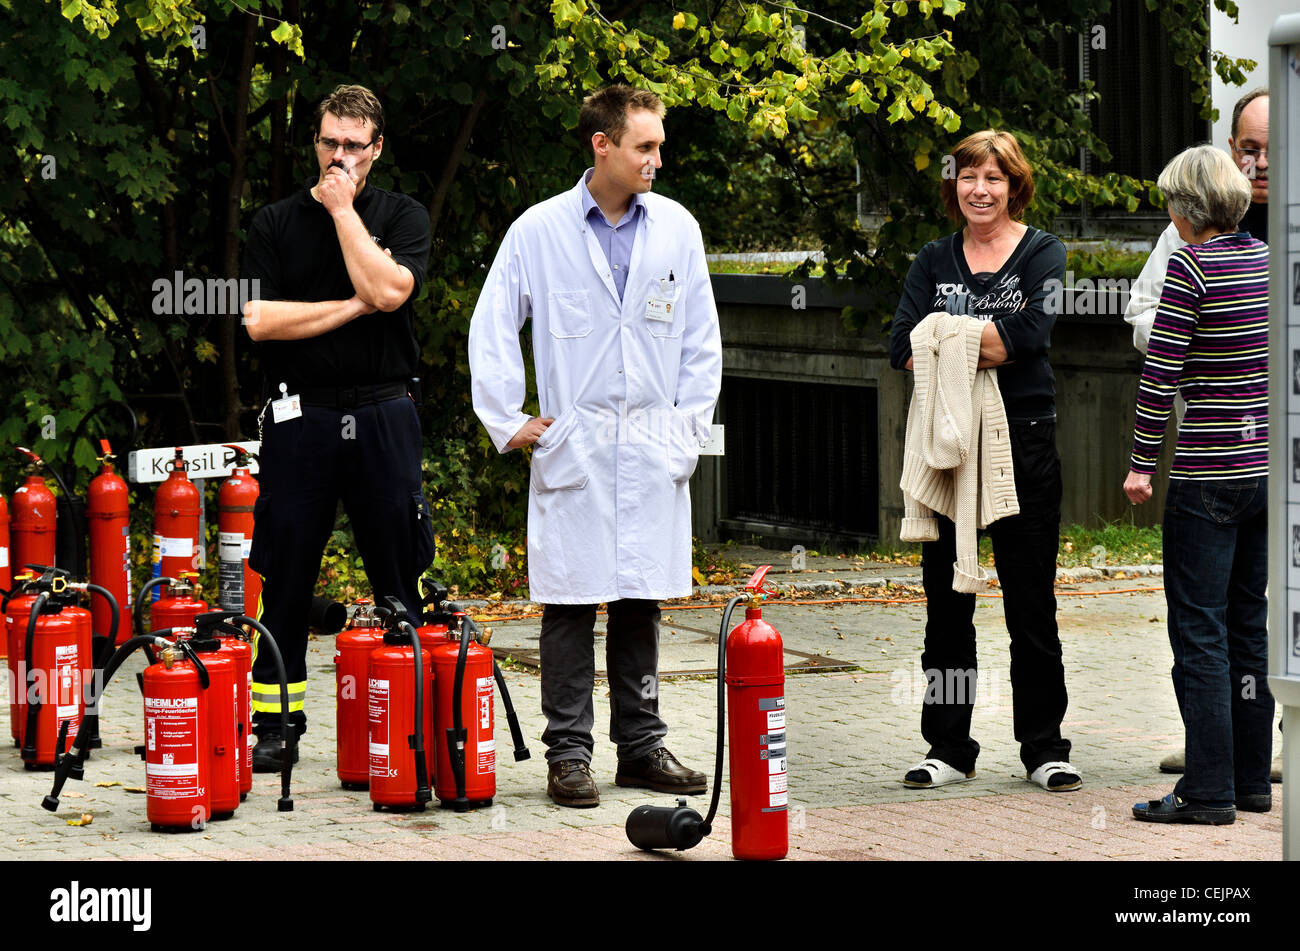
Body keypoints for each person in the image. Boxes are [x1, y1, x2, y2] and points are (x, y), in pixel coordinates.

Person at [468, 85, 722, 807]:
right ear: (602, 144)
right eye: (645, 146)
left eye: (660, 144)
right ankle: (568, 755)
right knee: (571, 604)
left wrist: (687, 428)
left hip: (651, 442)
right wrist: (507, 416)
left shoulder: (676, 228)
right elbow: (492, 325)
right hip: (574, 443)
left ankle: (640, 746)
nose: (657, 159)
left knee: (641, 602)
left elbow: (703, 340)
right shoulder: (539, 231)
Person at [240, 84, 433, 769]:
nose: (339, 157)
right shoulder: (273, 223)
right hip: (300, 414)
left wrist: (345, 213)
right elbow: (261, 322)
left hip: (384, 410)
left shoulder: (403, 216)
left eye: (354, 146)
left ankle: (413, 719)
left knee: (399, 567)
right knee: (284, 568)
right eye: (329, 142)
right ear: (314, 142)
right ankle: (276, 722)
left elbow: (392, 290)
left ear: (376, 150)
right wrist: (356, 306)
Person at [890, 130, 1080, 792]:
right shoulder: (932, 259)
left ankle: (1045, 748)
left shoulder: (1044, 252)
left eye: (994, 178)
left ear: (1014, 185)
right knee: (946, 607)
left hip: (1023, 443)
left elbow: (1031, 335)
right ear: (954, 184)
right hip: (946, 450)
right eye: (969, 176)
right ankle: (948, 746)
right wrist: (969, 341)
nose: (981, 188)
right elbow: (901, 346)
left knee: (1031, 604)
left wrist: (944, 338)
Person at [1122, 88, 1280, 781]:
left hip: (1210, 472)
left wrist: (1138, 466)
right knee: (1246, 622)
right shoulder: (1260, 259)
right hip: (1263, 468)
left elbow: (1158, 380)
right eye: (1248, 149)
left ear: (1189, 208)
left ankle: (1209, 783)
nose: (1259, 162)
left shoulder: (1190, 262)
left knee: (1201, 629)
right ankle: (1247, 776)